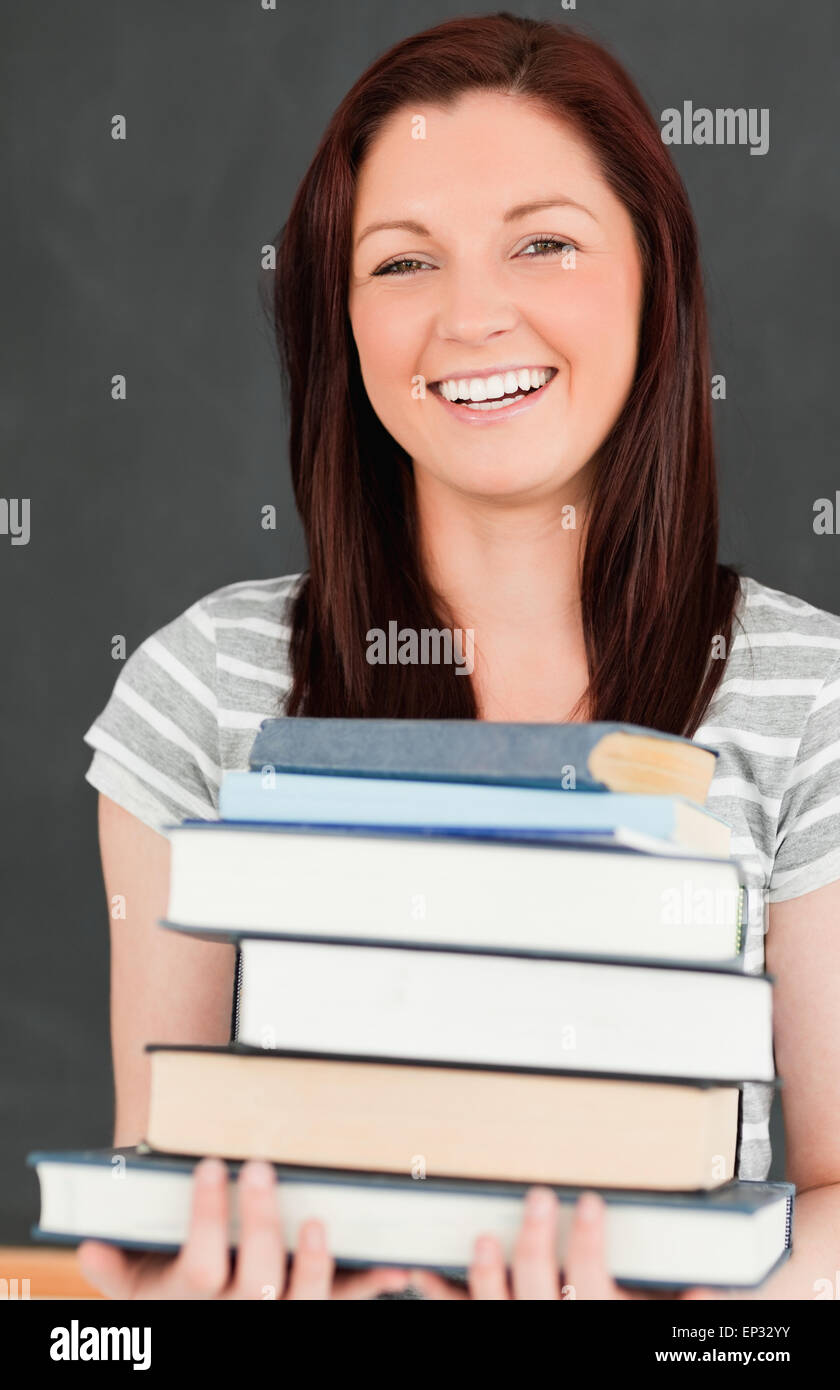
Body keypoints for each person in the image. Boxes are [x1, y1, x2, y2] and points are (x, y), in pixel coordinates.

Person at [78, 15, 840, 1300]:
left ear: (655, 277)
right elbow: (157, 1199)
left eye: (544, 243)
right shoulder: (201, 687)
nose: (473, 316)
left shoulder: (807, 696)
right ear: (341, 313)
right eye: (402, 262)